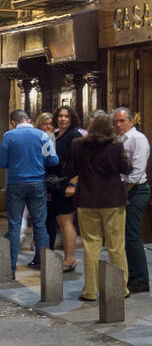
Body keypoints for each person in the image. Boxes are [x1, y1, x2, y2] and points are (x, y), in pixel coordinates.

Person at [67, 114, 131, 303]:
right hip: (113, 201)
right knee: (116, 246)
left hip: (86, 200)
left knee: (91, 245)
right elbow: (126, 169)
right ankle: (121, 288)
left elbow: (70, 169)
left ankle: (90, 290)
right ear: (109, 128)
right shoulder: (116, 145)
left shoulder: (78, 144)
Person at [0, 110, 60, 275]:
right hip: (37, 183)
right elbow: (54, 160)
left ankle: (10, 269)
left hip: (16, 184)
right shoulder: (41, 135)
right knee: (40, 224)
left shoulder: (9, 136)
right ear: (29, 120)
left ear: (13, 122)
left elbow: (2, 161)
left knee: (14, 225)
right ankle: (45, 266)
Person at [113, 107, 152, 293]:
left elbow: (137, 171)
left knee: (132, 234)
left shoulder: (138, 139)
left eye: (122, 121)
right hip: (121, 190)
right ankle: (128, 275)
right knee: (122, 236)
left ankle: (141, 279)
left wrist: (124, 191)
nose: (118, 125)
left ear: (132, 121)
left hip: (136, 191)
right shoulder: (118, 139)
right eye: (116, 122)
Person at [47, 105, 82, 272]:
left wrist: (73, 184)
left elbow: (80, 163)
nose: (62, 119)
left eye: (66, 116)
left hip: (67, 183)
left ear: (72, 119)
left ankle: (70, 259)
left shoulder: (74, 135)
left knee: (66, 221)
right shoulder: (56, 135)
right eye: (60, 116)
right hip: (55, 183)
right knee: (59, 221)